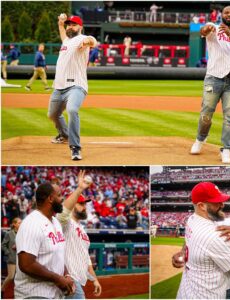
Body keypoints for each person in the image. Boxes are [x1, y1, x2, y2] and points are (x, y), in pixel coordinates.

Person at [190, 6, 230, 164]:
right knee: (206, 115)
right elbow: (202, 31)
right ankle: (200, 139)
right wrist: (206, 28)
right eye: (226, 12)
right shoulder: (213, 28)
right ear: (221, 15)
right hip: (214, 77)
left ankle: (226, 149)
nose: (229, 15)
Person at [174, 182, 230, 299]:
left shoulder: (191, 219)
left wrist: (182, 252)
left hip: (185, 293)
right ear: (202, 206)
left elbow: (187, 241)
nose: (222, 204)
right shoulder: (215, 235)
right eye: (217, 202)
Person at [48, 14, 97, 160]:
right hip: (59, 87)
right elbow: (63, 32)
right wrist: (60, 23)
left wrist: (88, 41)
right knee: (52, 115)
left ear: (80, 27)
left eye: (73, 24)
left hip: (76, 86)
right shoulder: (66, 41)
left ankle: (75, 147)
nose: (70, 27)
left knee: (72, 109)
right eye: (69, 24)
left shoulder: (82, 38)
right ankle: (64, 135)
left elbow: (93, 41)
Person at [14, 182, 75, 299]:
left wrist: (66, 275)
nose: (62, 198)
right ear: (51, 198)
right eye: (59, 195)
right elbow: (26, 264)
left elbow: (58, 256)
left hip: (54, 294)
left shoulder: (56, 222)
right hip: (34, 294)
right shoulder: (32, 223)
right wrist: (58, 279)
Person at [56, 171, 102, 299]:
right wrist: (80, 189)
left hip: (77, 280)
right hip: (68, 278)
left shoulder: (82, 230)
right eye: (81, 204)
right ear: (73, 204)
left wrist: (94, 279)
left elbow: (86, 258)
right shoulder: (66, 223)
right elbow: (63, 213)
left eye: (84, 204)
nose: (84, 207)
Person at [1, 217, 22, 293]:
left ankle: (18, 292)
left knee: (19, 277)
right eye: (19, 223)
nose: (21, 224)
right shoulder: (9, 233)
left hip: (20, 258)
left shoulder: (22, 233)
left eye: (21, 222)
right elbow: (3, 245)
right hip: (12, 258)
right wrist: (8, 252)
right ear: (14, 224)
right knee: (11, 276)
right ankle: (1, 289)